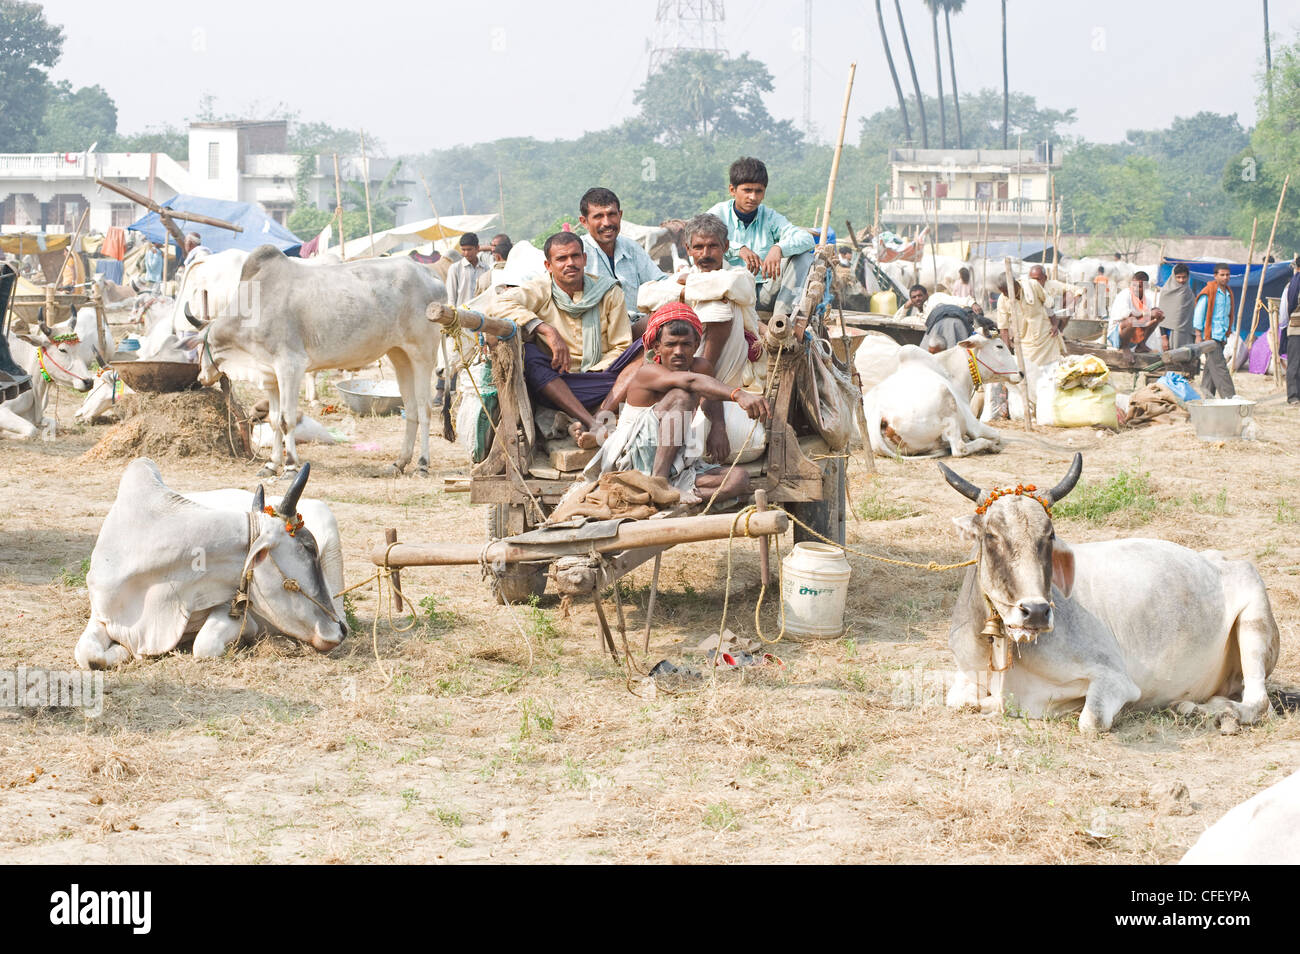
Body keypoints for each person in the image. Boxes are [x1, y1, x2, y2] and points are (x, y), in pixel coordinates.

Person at [584, 302, 769, 504]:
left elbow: (709, 396)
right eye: (671, 344)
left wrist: (718, 426)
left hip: (676, 459)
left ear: (696, 345)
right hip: (634, 455)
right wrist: (738, 394)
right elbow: (691, 382)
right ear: (657, 347)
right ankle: (659, 483)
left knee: (738, 478)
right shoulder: (648, 371)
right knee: (682, 395)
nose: (678, 351)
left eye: (686, 344)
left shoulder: (701, 367)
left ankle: (668, 498)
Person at [487, 230, 637, 446]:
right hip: (558, 383)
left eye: (575, 256)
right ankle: (591, 422)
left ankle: (597, 415)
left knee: (647, 349)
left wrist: (595, 370)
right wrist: (546, 329)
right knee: (529, 356)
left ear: (584, 259)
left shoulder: (609, 291)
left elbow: (621, 345)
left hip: (604, 380)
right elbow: (496, 305)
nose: (570, 263)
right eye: (561, 258)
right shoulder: (540, 288)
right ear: (549, 266)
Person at [635, 213, 761, 389]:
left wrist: (688, 285)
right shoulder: (681, 278)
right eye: (698, 247)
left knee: (719, 304)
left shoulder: (740, 276)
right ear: (688, 249)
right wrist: (685, 291)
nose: (705, 254)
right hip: (683, 360)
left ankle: (703, 381)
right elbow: (645, 295)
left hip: (733, 368)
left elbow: (729, 284)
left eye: (712, 246)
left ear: (725, 247)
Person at [706, 157, 815, 319]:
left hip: (764, 292)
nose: (753, 197)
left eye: (758, 191)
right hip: (728, 292)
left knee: (804, 256)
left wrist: (778, 248)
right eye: (747, 190)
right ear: (732, 190)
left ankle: (782, 319)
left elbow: (806, 239)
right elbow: (704, 242)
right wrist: (738, 249)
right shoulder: (717, 214)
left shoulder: (769, 216)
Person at [578, 187, 665, 327]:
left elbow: (660, 281)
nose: (606, 223)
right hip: (602, 330)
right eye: (598, 216)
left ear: (620, 215)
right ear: (584, 221)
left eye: (611, 214)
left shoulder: (631, 247)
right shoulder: (577, 251)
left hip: (637, 325)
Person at [996, 270, 1064, 368]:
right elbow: (1003, 329)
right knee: (1028, 374)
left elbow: (1048, 303)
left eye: (1006, 291)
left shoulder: (1032, 286)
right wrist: (1007, 354)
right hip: (1025, 345)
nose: (1005, 294)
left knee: (1051, 374)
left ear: (1015, 284)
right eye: (1002, 292)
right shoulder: (1002, 300)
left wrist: (1054, 325)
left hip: (1046, 339)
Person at [1193, 263, 1236, 398]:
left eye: (1227, 275)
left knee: (1210, 370)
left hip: (1221, 336)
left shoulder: (1228, 293)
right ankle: (1230, 398)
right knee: (1220, 368)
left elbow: (1228, 314)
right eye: (1222, 275)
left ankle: (1207, 398)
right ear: (1215, 276)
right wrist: (1198, 334)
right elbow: (1199, 313)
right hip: (1209, 336)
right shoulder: (1209, 291)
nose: (1225, 277)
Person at [1108, 271, 1165, 352]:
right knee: (1132, 320)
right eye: (1134, 285)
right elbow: (1127, 315)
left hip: (1134, 334)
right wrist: (1148, 313)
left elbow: (1145, 322)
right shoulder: (1125, 294)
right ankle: (1125, 348)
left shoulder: (1147, 301)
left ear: (1146, 287)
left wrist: (1155, 316)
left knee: (1157, 318)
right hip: (1117, 335)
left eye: (1139, 286)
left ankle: (1141, 345)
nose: (1135, 289)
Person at [445, 232, 491, 308]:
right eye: (463, 250)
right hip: (461, 314)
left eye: (469, 249)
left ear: (477, 248)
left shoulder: (486, 269)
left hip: (481, 313)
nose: (466, 253)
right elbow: (451, 297)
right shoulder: (455, 268)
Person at [1158, 263, 1196, 351]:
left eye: (1184, 277)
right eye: (1178, 277)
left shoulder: (1190, 294)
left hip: (1187, 335)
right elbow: (1161, 318)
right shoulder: (1166, 292)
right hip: (1170, 334)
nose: (1181, 280)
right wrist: (1164, 338)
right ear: (1173, 277)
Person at [1283, 256, 1300, 404]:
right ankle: (1293, 396)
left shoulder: (1292, 283)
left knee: (1294, 362)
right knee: (1295, 363)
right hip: (1296, 329)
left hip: (1295, 327)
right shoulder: (1294, 284)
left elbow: (1287, 308)